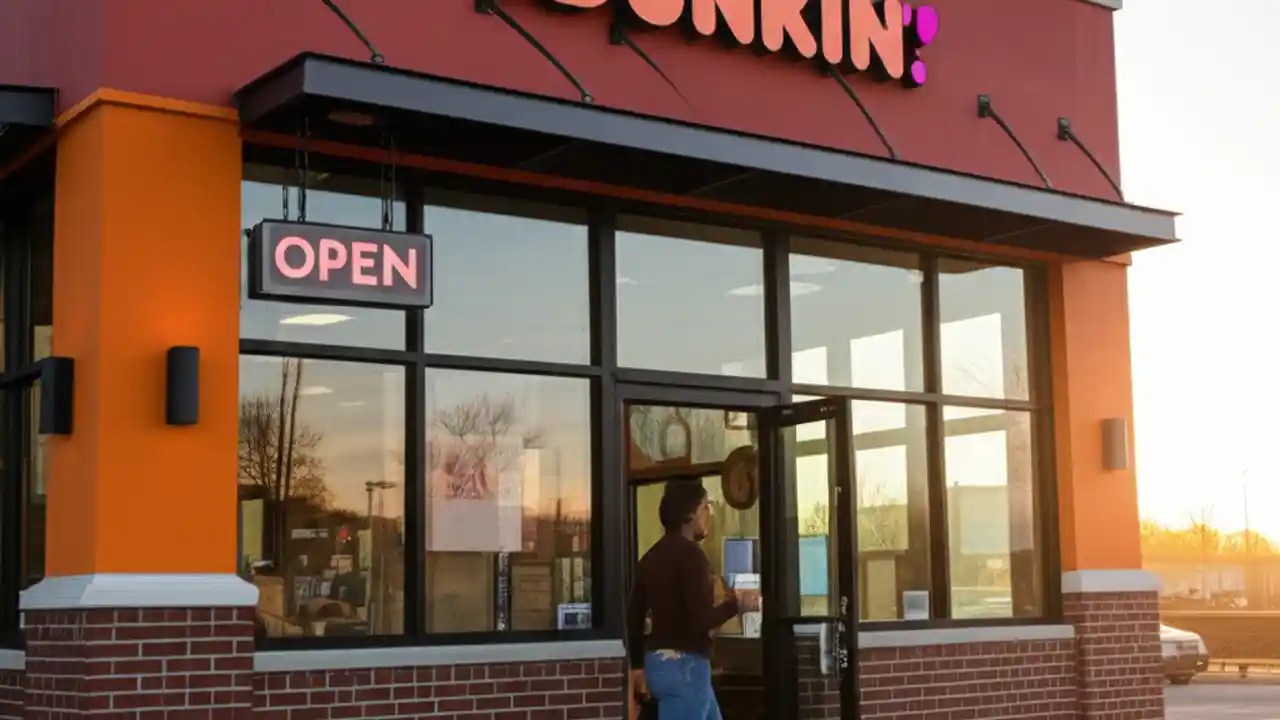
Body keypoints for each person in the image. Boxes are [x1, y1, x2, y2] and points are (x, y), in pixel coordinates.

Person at [627, 481, 758, 720]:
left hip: (658, 664)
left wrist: (637, 666)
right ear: (689, 514)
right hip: (686, 666)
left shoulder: (650, 557)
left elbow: (633, 617)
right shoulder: (692, 556)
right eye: (705, 507)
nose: (710, 514)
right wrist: (737, 604)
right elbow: (700, 620)